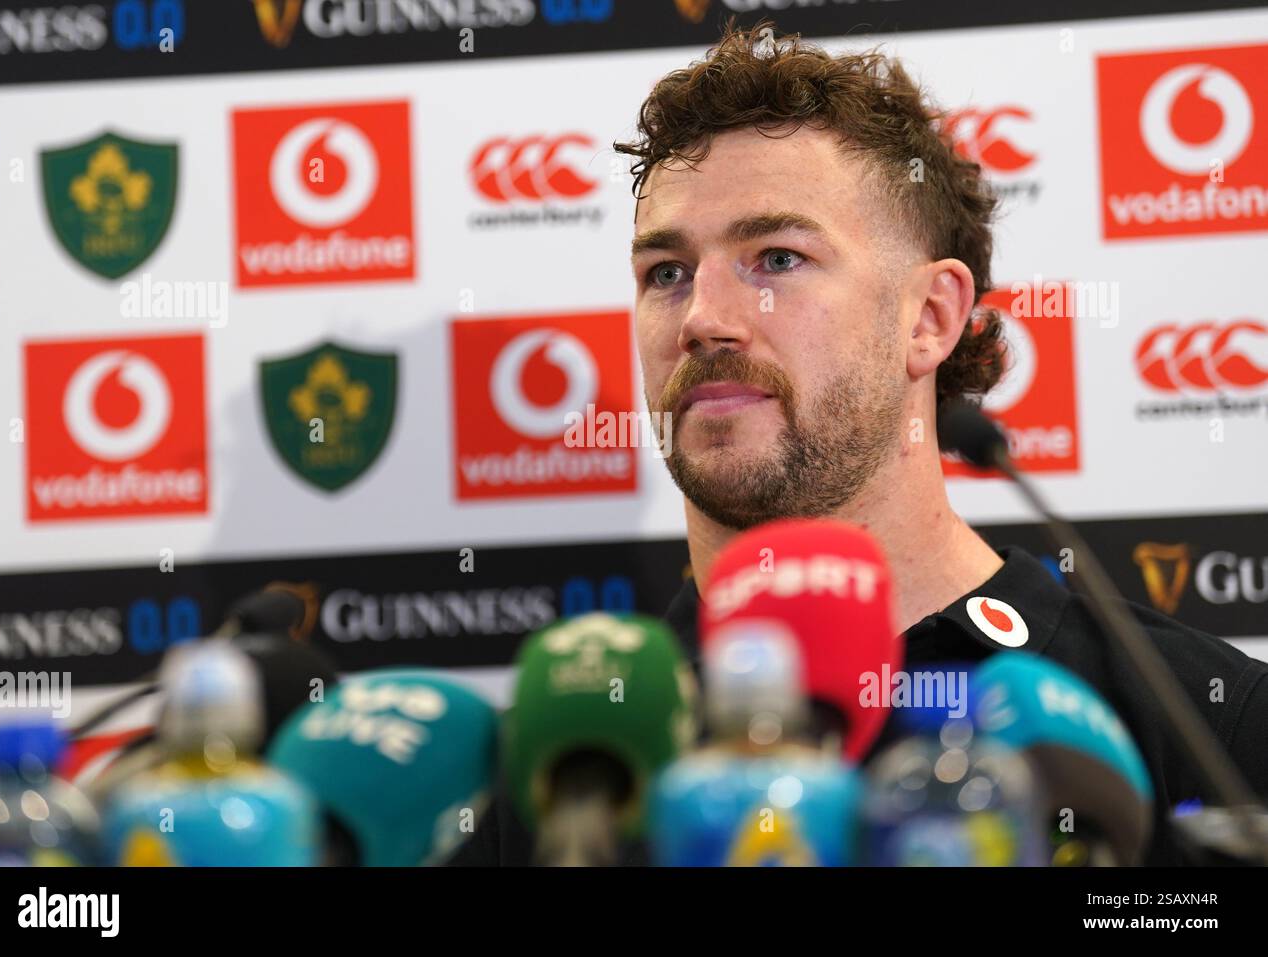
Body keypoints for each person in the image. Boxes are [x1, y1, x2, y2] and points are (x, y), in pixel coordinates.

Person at [449, 21, 1268, 866]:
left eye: (776, 257)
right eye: (667, 272)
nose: (703, 319)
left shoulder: (1206, 728)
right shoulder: (570, 774)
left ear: (931, 318)